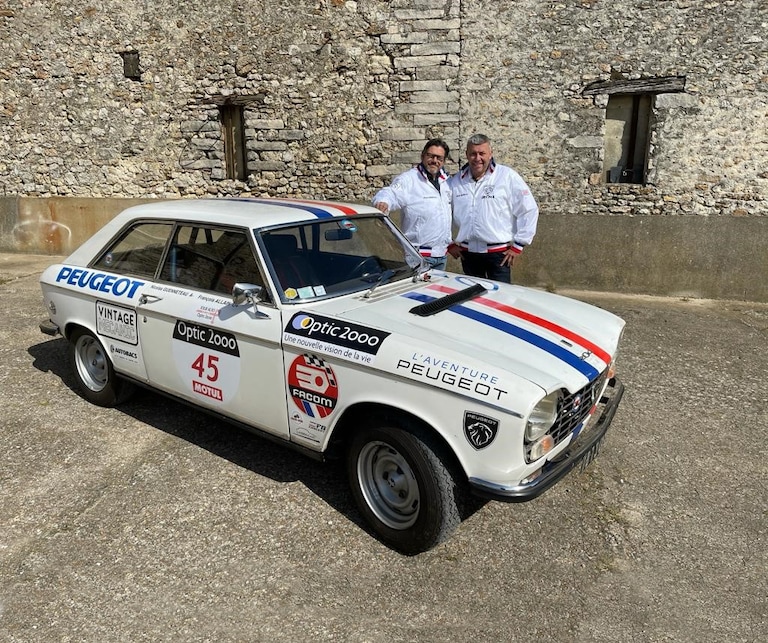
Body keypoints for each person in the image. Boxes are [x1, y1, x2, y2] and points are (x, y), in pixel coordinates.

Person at [448, 133, 539, 282]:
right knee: (472, 295)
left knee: (500, 295)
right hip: (468, 255)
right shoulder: (456, 181)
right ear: (466, 155)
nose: (477, 158)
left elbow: (528, 209)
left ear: (490, 154)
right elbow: (443, 212)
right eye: (473, 154)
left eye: (482, 153)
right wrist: (449, 243)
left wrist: (519, 244)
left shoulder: (507, 176)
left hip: (499, 255)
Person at [372, 138, 453, 270]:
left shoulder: (447, 182)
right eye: (430, 156)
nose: (434, 160)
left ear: (443, 161)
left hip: (441, 255)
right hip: (418, 256)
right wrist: (383, 201)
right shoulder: (409, 179)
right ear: (422, 156)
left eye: (439, 158)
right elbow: (391, 193)